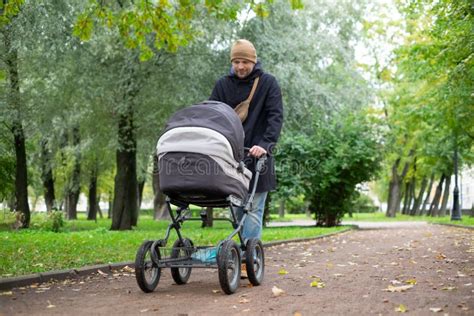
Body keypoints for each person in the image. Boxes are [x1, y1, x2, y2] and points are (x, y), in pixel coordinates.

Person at [210, 39, 284, 244]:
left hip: (258, 155)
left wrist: (266, 144)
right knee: (236, 208)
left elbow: (275, 117)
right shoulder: (222, 85)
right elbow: (213, 116)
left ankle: (247, 259)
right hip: (231, 157)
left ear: (254, 61)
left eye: (245, 62)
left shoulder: (268, 83)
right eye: (236, 62)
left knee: (253, 208)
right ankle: (242, 253)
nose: (241, 66)